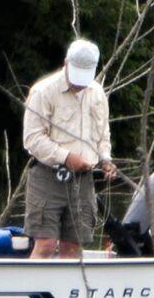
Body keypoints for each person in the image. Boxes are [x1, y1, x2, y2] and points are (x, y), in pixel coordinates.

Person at [21, 38, 117, 259]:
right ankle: (35, 290)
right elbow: (32, 139)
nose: (80, 84)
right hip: (47, 176)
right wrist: (66, 157)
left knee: (73, 246)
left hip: (83, 181)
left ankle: (68, 293)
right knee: (45, 244)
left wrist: (105, 159)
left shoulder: (97, 93)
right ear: (66, 63)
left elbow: (103, 133)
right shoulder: (43, 91)